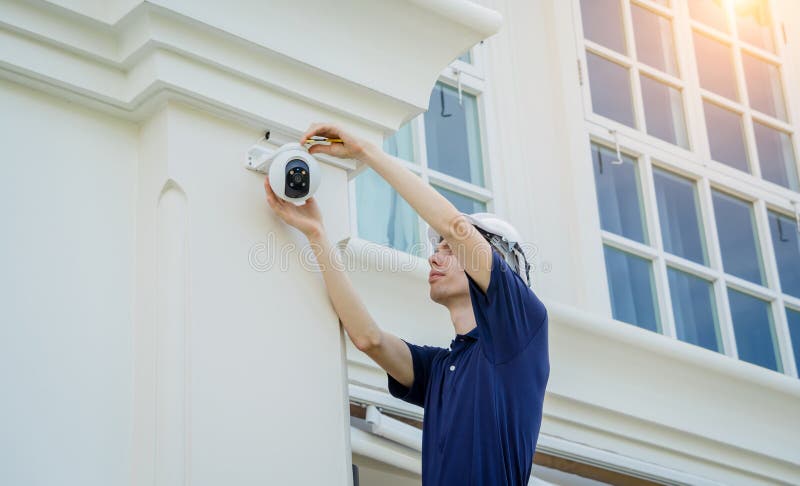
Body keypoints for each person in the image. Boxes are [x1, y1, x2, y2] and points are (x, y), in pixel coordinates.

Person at [264, 122, 549, 485]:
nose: (434, 258)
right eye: (436, 249)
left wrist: (367, 151)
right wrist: (317, 234)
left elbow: (457, 227)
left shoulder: (522, 331)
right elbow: (369, 339)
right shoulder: (443, 369)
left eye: (448, 249)